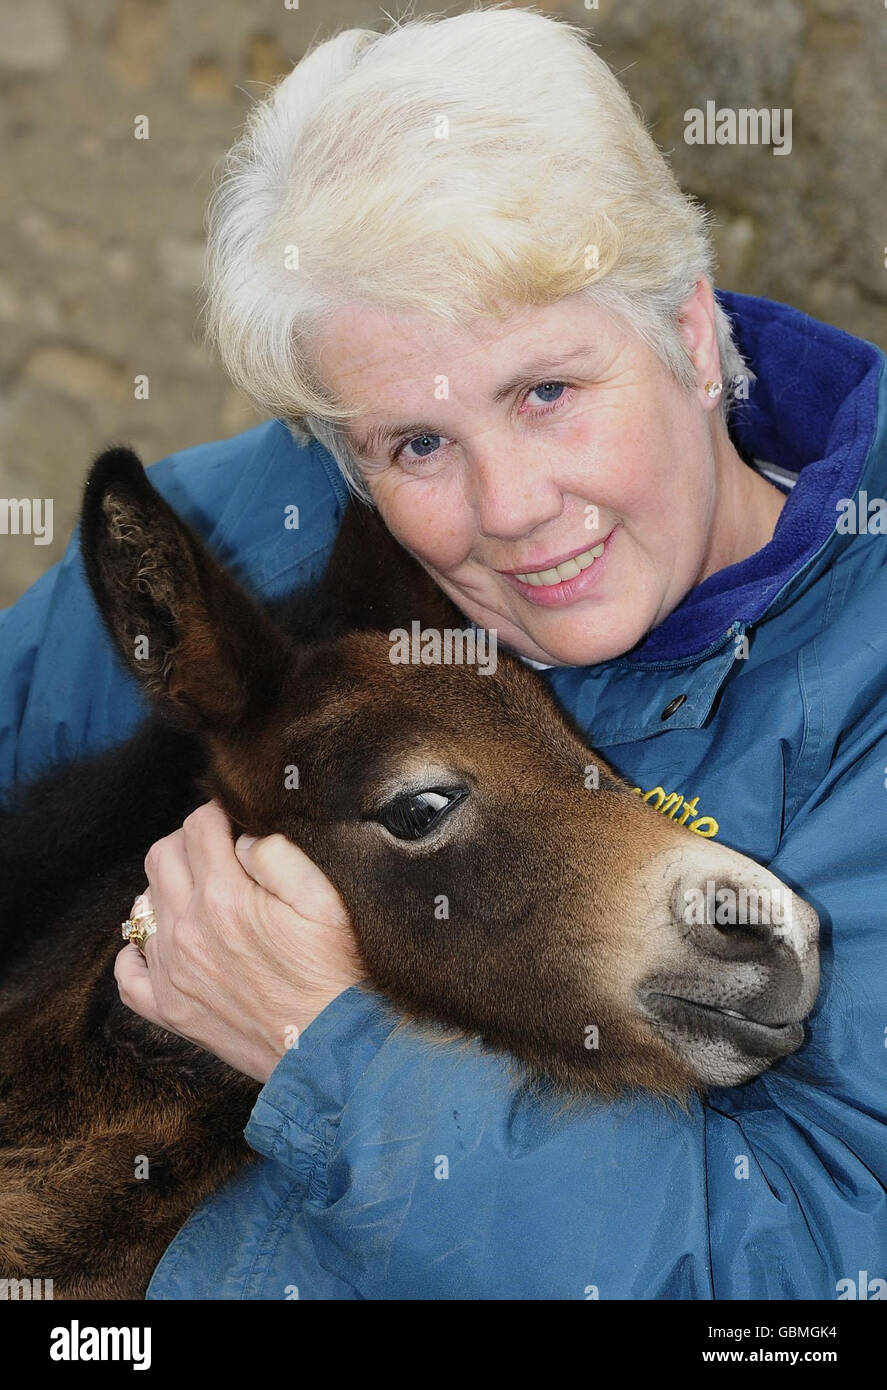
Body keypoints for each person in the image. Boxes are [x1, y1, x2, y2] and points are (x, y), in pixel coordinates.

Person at [3, 7, 886, 1300]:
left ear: (692, 338)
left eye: (549, 391)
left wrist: (332, 1052)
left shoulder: (858, 692)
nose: (512, 504)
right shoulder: (286, 517)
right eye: (415, 442)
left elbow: (813, 1279)